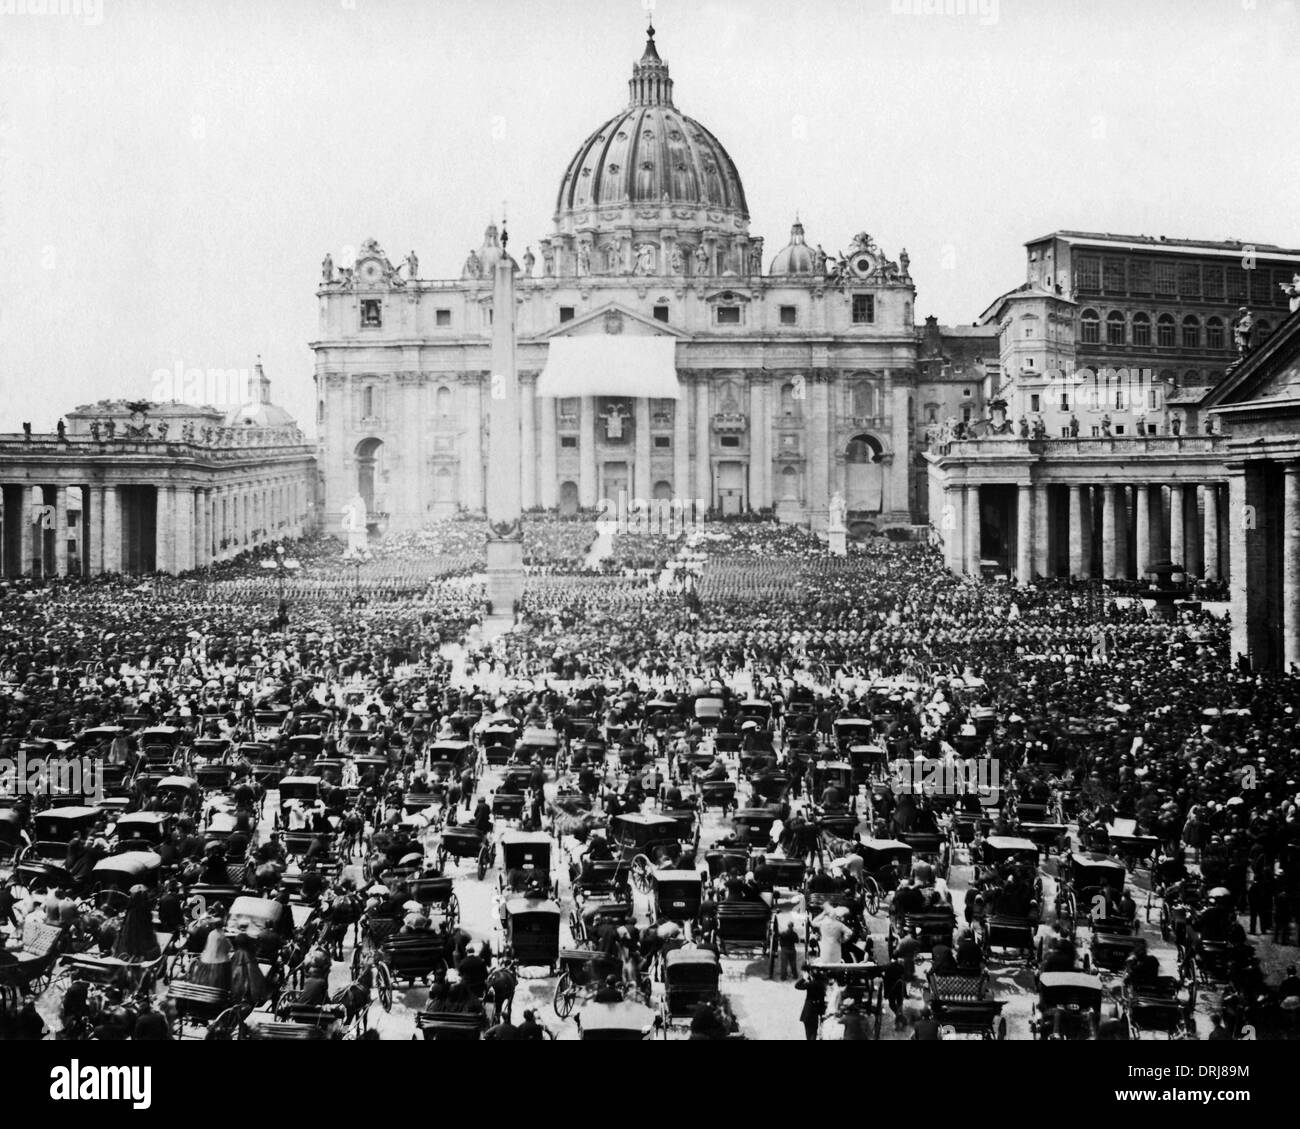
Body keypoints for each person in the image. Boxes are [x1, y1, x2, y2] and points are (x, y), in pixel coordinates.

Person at [794, 973, 826, 1041]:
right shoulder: (822, 986)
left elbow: (797, 986)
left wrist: (804, 978)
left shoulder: (810, 984)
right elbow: (822, 1000)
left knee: (808, 1032)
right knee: (814, 1032)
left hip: (808, 1010)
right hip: (816, 1011)